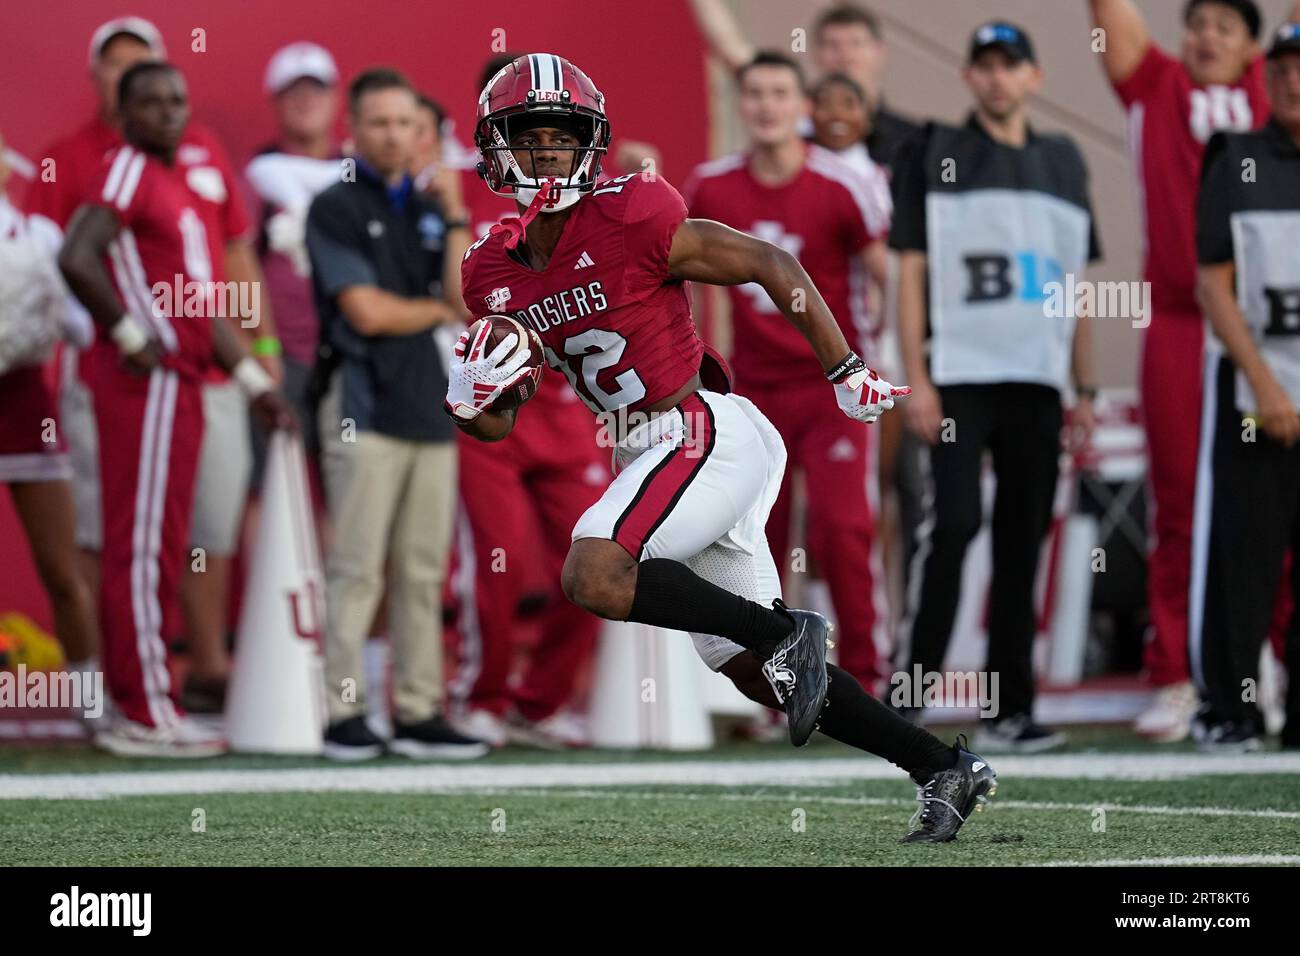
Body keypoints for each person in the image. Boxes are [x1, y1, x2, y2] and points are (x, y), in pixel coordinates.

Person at [453, 52, 994, 842]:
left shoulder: (632, 212)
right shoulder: (489, 272)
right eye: (528, 137)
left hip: (701, 430)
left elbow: (770, 263)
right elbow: (495, 424)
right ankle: (940, 767)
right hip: (645, 454)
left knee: (595, 571)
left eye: (560, 136)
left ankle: (788, 632)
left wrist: (844, 368)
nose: (545, 153)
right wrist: (472, 405)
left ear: (591, 142)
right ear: (496, 147)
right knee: (757, 675)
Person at [58, 62, 295, 757]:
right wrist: (130, 333)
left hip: (186, 378)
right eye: (149, 102)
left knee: (160, 542)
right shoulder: (128, 168)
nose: (167, 113)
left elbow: (202, 308)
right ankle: (142, 707)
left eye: (176, 101)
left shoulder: (184, 188)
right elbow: (77, 254)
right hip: (151, 378)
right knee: (140, 543)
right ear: (122, 113)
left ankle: (147, 697)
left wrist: (254, 382)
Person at [1090, 0, 1300, 742]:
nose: (1207, 35)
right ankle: (1180, 673)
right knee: (1183, 504)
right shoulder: (1157, 83)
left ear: (1257, 47)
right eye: (1197, 23)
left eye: (1226, 26)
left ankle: (1268, 663)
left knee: (1279, 512)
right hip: (1183, 321)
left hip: (1278, 334)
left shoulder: (1275, 93)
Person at [891, 23, 1100, 753]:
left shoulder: (1065, 160)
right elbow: (910, 267)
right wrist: (917, 375)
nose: (998, 78)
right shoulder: (937, 151)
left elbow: (1075, 284)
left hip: (1038, 383)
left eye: (1011, 65)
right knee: (950, 526)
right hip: (959, 376)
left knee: (1022, 542)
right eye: (984, 66)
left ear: (1034, 77)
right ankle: (909, 694)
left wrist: (1085, 386)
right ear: (969, 77)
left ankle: (1010, 709)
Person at [684, 52, 894, 695]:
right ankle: (770, 679)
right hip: (752, 390)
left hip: (828, 386)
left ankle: (869, 674)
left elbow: (887, 274)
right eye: (755, 94)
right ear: (739, 105)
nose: (768, 105)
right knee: (753, 537)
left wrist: (875, 360)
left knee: (842, 528)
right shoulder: (711, 185)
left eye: (780, 92)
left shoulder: (842, 184)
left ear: (803, 107)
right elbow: (687, 287)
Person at [305, 68, 484, 761]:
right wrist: (435, 310)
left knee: (419, 570)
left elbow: (466, 298)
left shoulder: (435, 206)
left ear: (424, 132)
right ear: (353, 128)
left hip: (430, 405)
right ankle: (342, 713)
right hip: (360, 406)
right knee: (357, 569)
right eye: (377, 122)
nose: (393, 135)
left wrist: (459, 211)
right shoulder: (335, 204)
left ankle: (418, 711)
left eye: (406, 123)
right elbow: (366, 312)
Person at [1191, 22, 1300, 751]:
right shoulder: (1237, 157)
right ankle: (1230, 710)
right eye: (1284, 69)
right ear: (1264, 80)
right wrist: (1266, 384)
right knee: (1244, 555)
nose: (1294, 81)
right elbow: (1212, 284)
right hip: (1259, 394)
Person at [0, 133, 100, 712]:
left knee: (62, 570)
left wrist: (43, 306)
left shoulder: (39, 238)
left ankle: (90, 701)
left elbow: (80, 327)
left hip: (25, 413)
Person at [688, 0, 918, 174]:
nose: (844, 55)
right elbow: (733, 52)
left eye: (856, 43)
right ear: (815, 53)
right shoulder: (794, 115)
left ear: (879, 52)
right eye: (832, 45)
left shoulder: (910, 138)